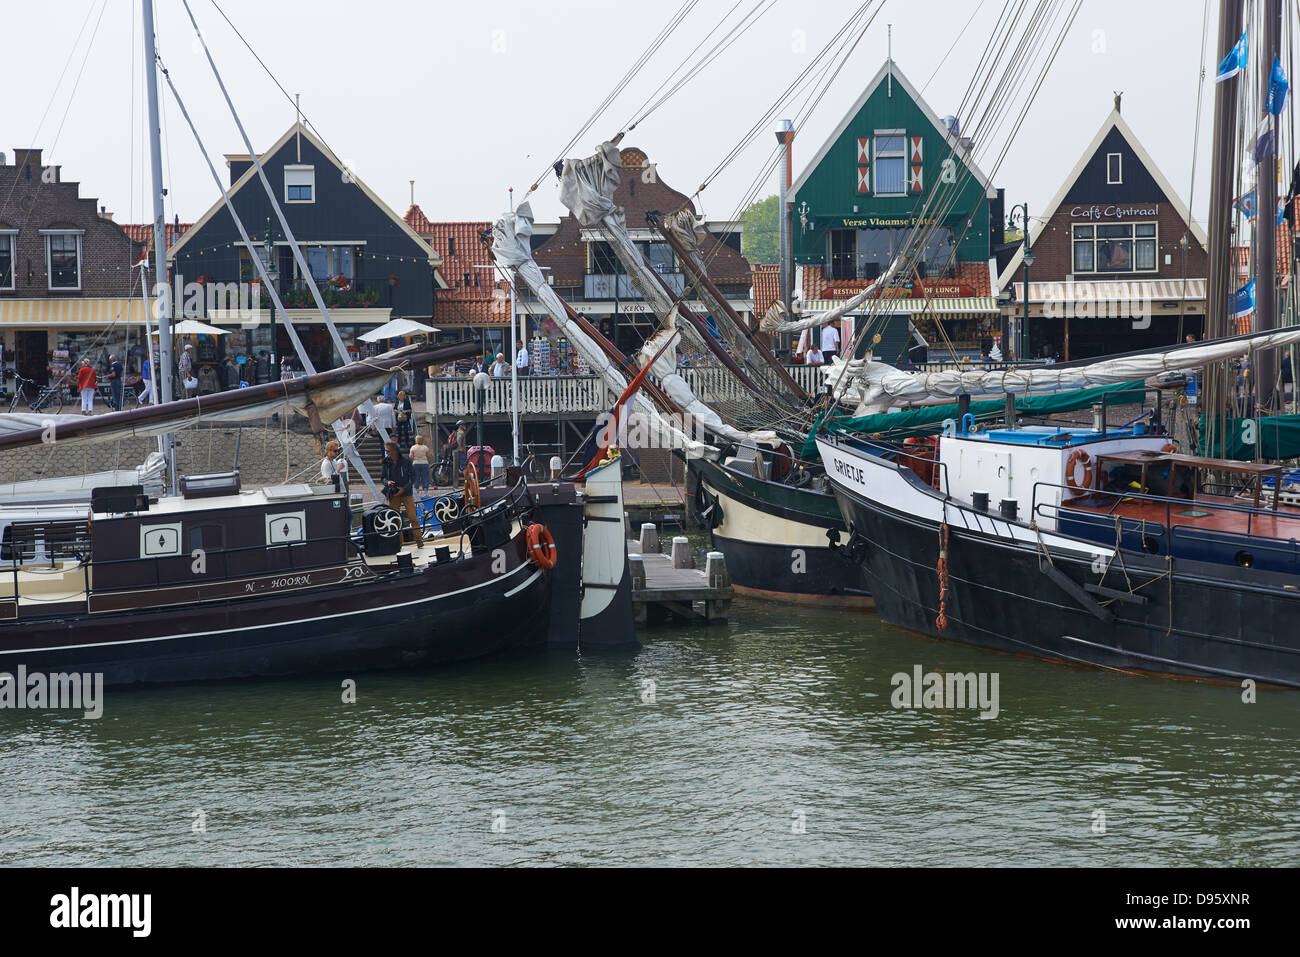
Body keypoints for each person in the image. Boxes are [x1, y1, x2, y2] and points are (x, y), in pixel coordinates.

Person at [380, 440, 423, 547]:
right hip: (393, 494)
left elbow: (412, 477)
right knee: (395, 518)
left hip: (406, 493)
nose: (387, 453)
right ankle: (399, 543)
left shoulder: (406, 462)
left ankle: (419, 540)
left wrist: (404, 489)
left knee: (413, 516)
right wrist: (387, 482)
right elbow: (382, 478)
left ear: (395, 451)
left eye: (388, 451)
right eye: (386, 452)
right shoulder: (386, 463)